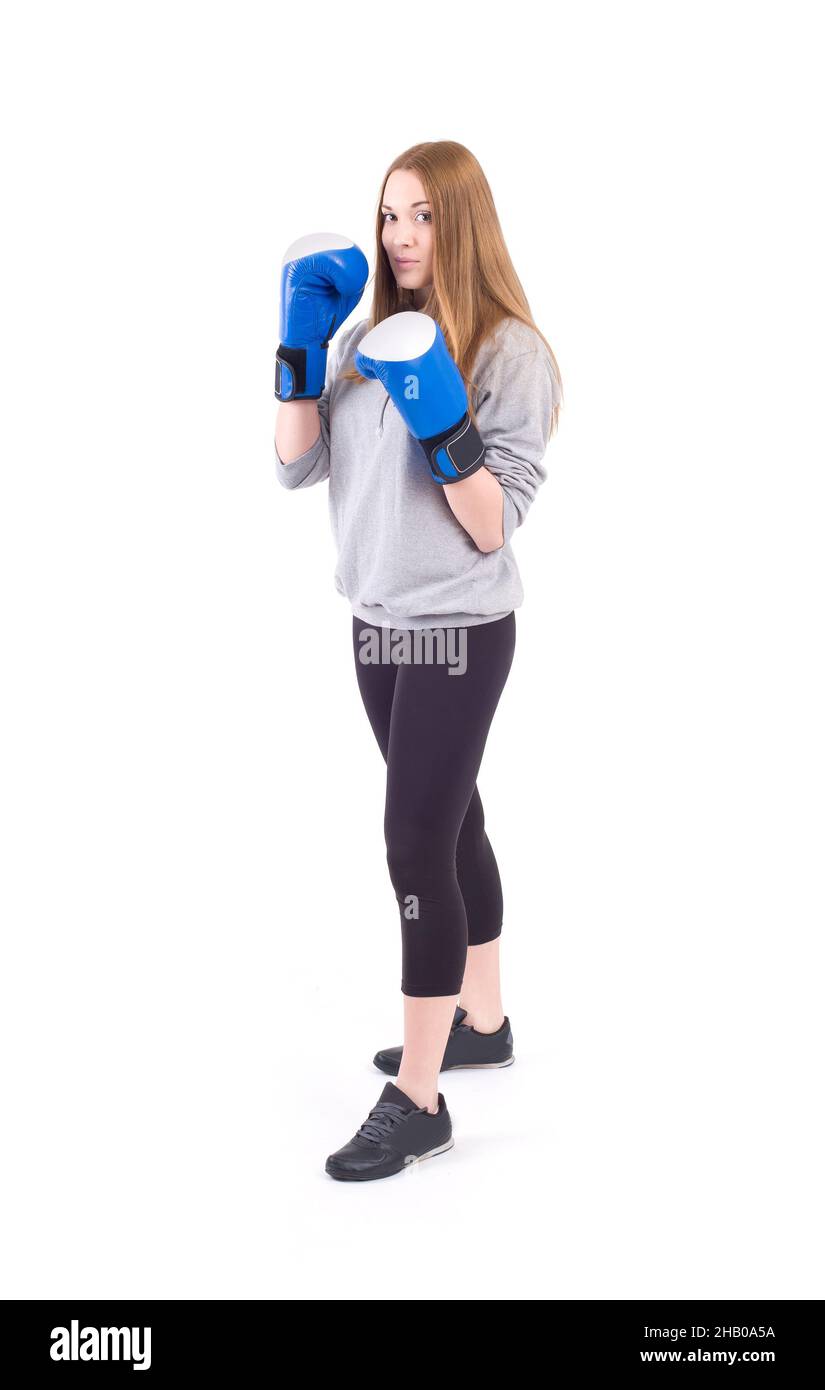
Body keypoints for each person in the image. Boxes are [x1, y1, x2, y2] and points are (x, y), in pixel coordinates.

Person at [273, 140, 563, 1182]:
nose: (399, 236)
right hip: (376, 623)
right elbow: (295, 463)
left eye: (422, 217)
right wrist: (301, 351)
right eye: (389, 214)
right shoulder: (359, 336)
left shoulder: (510, 353)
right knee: (456, 820)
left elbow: (494, 526)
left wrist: (444, 420)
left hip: (458, 629)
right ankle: (480, 1019)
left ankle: (420, 1097)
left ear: (461, 223)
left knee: (413, 840)